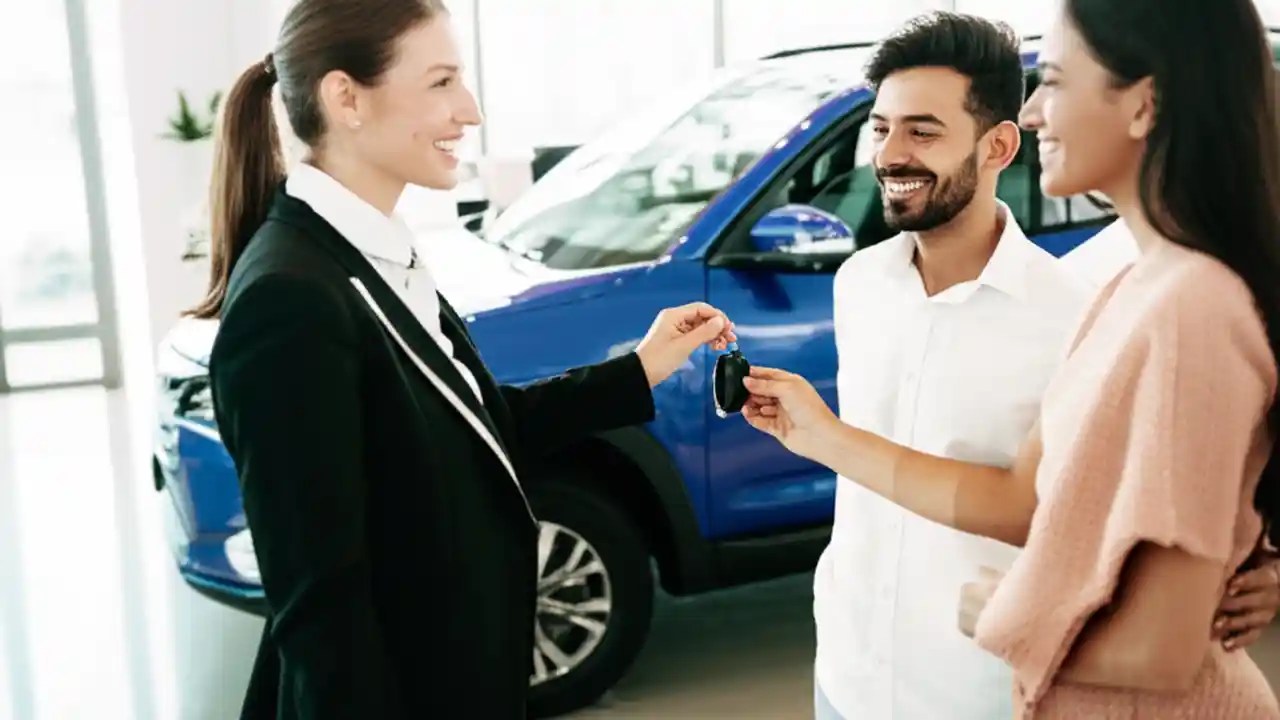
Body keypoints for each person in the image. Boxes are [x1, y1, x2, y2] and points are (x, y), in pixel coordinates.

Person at [195, 2, 736, 718]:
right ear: (345, 98)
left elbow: (472, 429)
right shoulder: (291, 299)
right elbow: (321, 607)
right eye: (441, 82)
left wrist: (642, 368)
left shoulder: (374, 252)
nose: (470, 111)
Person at [741, 7, 1280, 719]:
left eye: (923, 130)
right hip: (850, 674)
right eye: (881, 128)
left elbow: (1156, 582)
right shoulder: (859, 286)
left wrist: (1258, 552)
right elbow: (1022, 495)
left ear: (995, 148)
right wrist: (816, 435)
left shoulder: (1100, 307)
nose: (891, 153)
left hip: (984, 687)